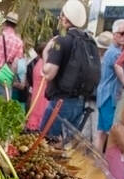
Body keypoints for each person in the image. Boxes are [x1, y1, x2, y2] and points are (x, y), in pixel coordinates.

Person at [41, 0, 101, 137]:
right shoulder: (90, 42)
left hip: (60, 103)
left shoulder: (61, 40)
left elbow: (49, 73)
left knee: (45, 143)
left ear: (65, 18)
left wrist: (45, 53)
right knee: (65, 147)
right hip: (80, 104)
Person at [97, 19, 124, 148]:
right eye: (122, 33)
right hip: (109, 97)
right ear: (114, 34)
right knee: (111, 132)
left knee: (101, 133)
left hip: (104, 95)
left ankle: (97, 161)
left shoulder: (112, 51)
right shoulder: (115, 54)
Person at [27, 36, 59, 131]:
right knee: (40, 115)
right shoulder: (44, 64)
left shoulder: (38, 63)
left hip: (37, 95)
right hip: (42, 97)